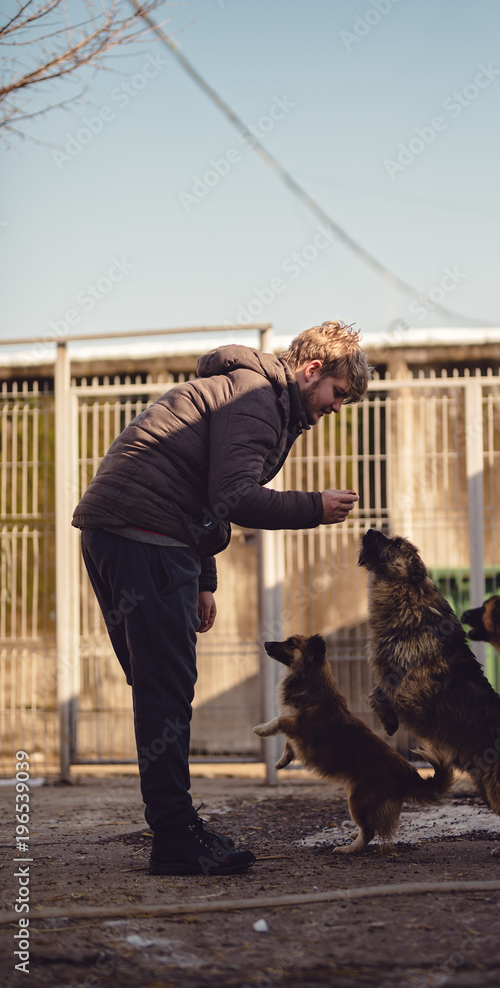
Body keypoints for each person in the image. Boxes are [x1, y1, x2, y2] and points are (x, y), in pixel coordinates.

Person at [72, 320, 373, 877]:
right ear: (313, 372)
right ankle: (174, 834)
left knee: (161, 683)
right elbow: (234, 495)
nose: (337, 408)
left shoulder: (250, 393)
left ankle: (176, 824)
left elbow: (200, 491)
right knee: (166, 687)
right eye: (338, 394)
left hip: (127, 530)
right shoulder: (257, 399)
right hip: (144, 533)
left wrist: (204, 578)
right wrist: (314, 507)